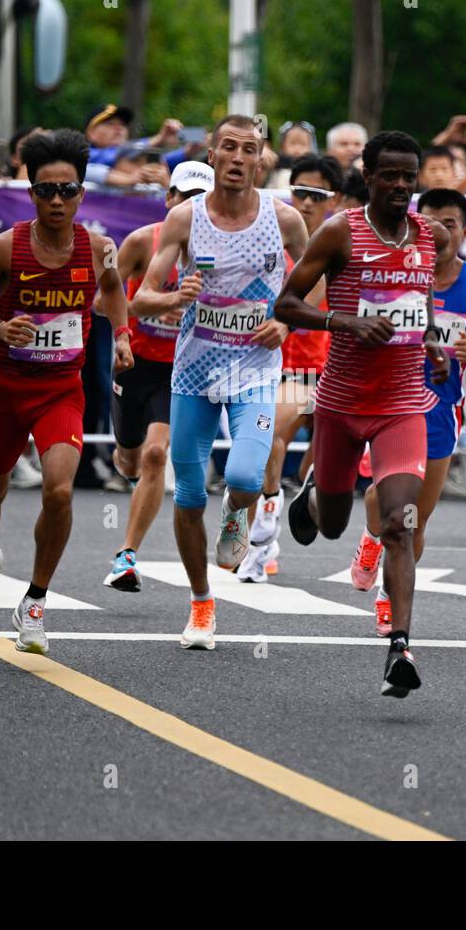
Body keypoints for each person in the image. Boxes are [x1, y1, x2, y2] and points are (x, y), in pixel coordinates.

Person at [276, 129, 450, 699]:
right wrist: (345, 323)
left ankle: (399, 648)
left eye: (409, 176)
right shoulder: (339, 233)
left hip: (402, 403)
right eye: (390, 175)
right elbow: (286, 303)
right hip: (342, 403)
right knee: (330, 524)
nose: (401, 185)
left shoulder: (430, 237)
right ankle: (312, 496)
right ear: (368, 178)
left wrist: (431, 346)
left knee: (402, 522)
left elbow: (418, 305)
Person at [0, 129, 134, 655]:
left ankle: (34, 601)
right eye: (46, 190)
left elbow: (115, 290)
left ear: (81, 194)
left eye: (67, 190)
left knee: (57, 489)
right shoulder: (5, 246)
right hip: (5, 390)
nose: (56, 200)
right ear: (31, 193)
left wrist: (121, 336)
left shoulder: (98, 249)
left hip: (60, 391)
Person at [132, 115, 308, 651]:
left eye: (248, 149)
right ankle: (202, 603)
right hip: (192, 372)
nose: (236, 157)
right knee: (186, 494)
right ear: (212, 155)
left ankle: (236, 513)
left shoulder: (285, 220)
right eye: (227, 147)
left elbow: (318, 279)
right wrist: (173, 298)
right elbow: (140, 298)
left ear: (262, 160)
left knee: (247, 475)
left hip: (254, 370)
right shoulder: (185, 219)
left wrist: (287, 320)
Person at [349, 187, 466, 634]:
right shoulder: (392, 273)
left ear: (465, 232)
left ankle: (387, 596)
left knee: (416, 517)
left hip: (440, 410)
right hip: (390, 403)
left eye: (449, 224)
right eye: (428, 223)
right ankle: (370, 539)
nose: (437, 232)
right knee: (383, 499)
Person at [103, 160, 215, 591]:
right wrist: (125, 332)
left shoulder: (219, 254)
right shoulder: (141, 242)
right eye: (183, 197)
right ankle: (125, 467)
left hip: (180, 369)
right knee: (131, 457)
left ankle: (126, 556)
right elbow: (105, 300)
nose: (189, 207)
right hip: (135, 364)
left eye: (199, 201)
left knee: (155, 456)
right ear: (169, 199)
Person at [235, 154, 344, 583]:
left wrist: (288, 319)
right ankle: (263, 535)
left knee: (324, 474)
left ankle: (297, 502)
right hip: (282, 367)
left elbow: (316, 292)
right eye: (298, 192)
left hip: (334, 368)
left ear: (332, 200)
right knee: (272, 437)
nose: (305, 202)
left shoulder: (342, 243)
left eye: (316, 196)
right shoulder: (271, 240)